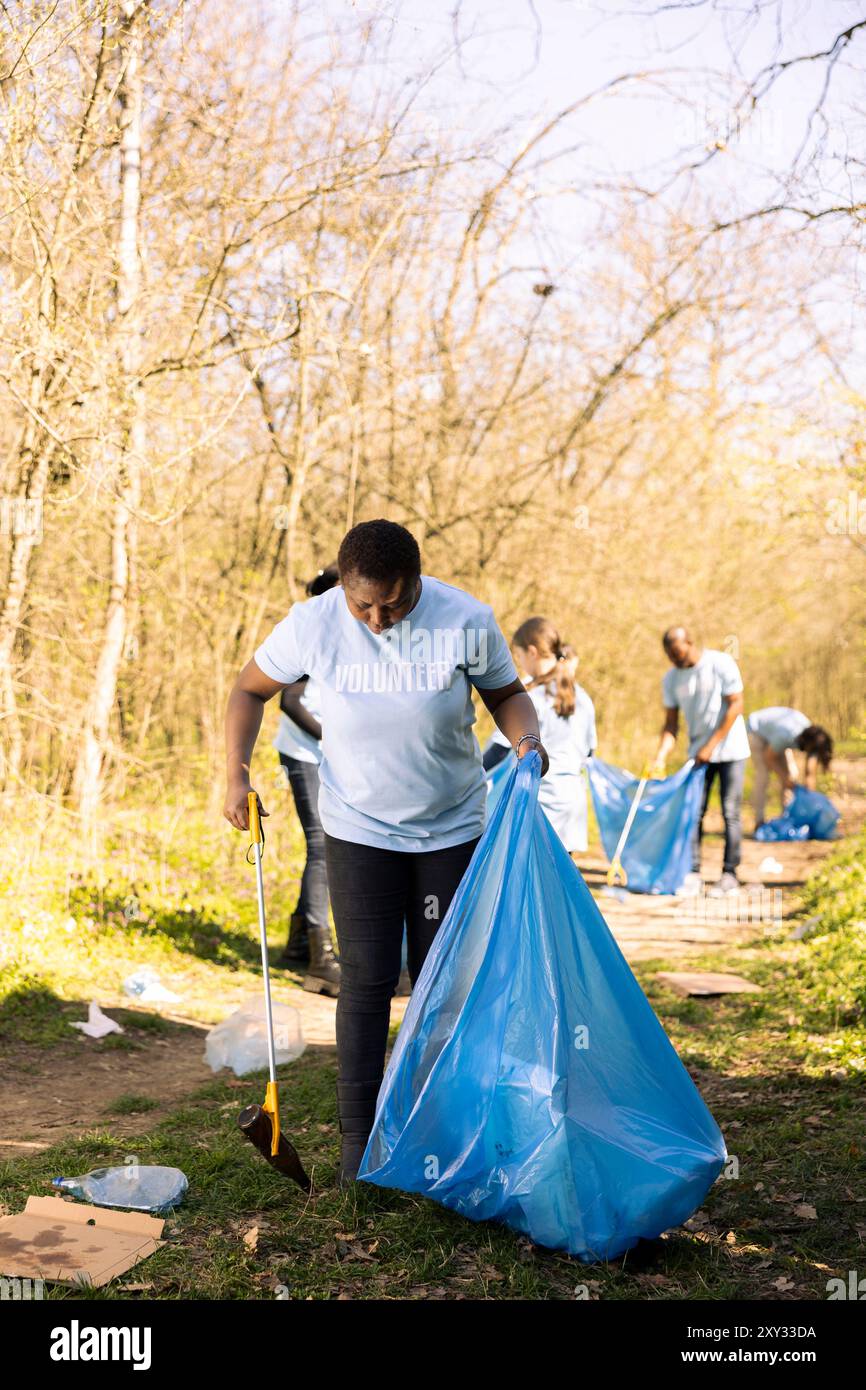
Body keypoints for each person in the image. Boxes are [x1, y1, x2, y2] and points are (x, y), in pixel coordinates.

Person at [224, 518, 549, 1183]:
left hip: (450, 829)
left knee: (439, 988)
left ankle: (436, 1140)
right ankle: (358, 1150)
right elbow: (248, 689)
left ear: (418, 582)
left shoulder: (466, 619)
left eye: (393, 604)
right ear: (343, 586)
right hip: (359, 829)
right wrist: (234, 771)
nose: (376, 618)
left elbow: (508, 695)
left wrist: (526, 741)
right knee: (368, 981)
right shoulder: (312, 623)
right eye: (362, 603)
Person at [274, 564, 341, 996]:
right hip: (304, 753)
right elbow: (289, 700)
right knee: (322, 845)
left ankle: (298, 942)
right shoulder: (310, 628)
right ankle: (321, 958)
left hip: (334, 755)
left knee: (327, 842)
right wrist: (330, 736)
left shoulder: (356, 631)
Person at [483, 617, 597, 852]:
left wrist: (470, 778)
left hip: (540, 803)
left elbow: (497, 751)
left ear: (532, 652)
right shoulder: (583, 698)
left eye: (520, 656)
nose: (520, 664)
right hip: (571, 804)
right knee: (558, 883)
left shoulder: (526, 700)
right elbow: (589, 751)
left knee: (531, 885)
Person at [653, 626, 750, 897]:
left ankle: (729, 874)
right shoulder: (671, 679)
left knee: (730, 812)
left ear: (690, 642)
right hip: (698, 755)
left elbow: (736, 705)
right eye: (670, 656)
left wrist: (712, 744)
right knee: (694, 812)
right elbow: (671, 724)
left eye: (677, 653)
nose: (675, 659)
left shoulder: (720, 663)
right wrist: (661, 754)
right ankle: (693, 873)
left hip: (731, 750)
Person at [746, 708, 834, 829]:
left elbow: (810, 772)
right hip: (756, 730)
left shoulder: (813, 738)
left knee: (792, 774)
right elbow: (769, 757)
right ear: (808, 745)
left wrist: (809, 797)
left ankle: (786, 817)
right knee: (763, 776)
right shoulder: (786, 735)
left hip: (775, 735)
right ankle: (759, 821)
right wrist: (785, 779)